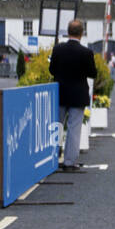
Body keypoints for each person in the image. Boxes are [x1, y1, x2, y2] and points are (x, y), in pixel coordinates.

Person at [48, 19, 97, 172]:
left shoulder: (58, 49)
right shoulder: (86, 52)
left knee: (56, 127)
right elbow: (92, 73)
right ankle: (69, 162)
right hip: (78, 95)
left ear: (68, 32)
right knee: (74, 129)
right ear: (81, 34)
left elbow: (52, 70)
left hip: (60, 93)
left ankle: (51, 159)